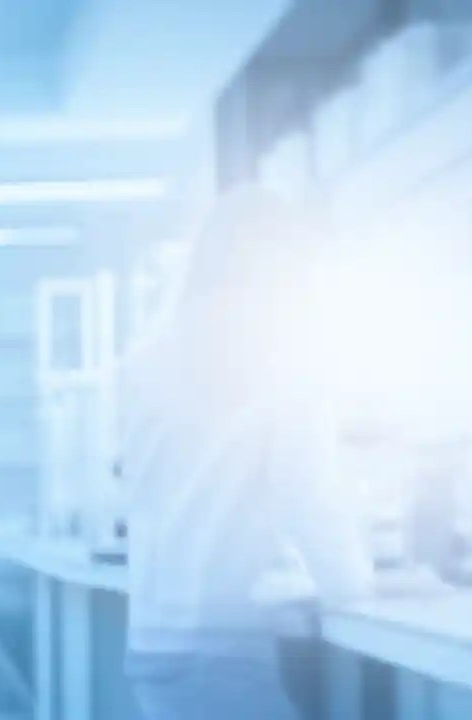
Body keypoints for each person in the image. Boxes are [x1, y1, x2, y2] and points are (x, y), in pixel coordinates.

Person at [121, 187, 373, 719]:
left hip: (155, 641)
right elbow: (310, 498)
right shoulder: (278, 352)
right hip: (222, 651)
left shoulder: (150, 354)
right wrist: (358, 589)